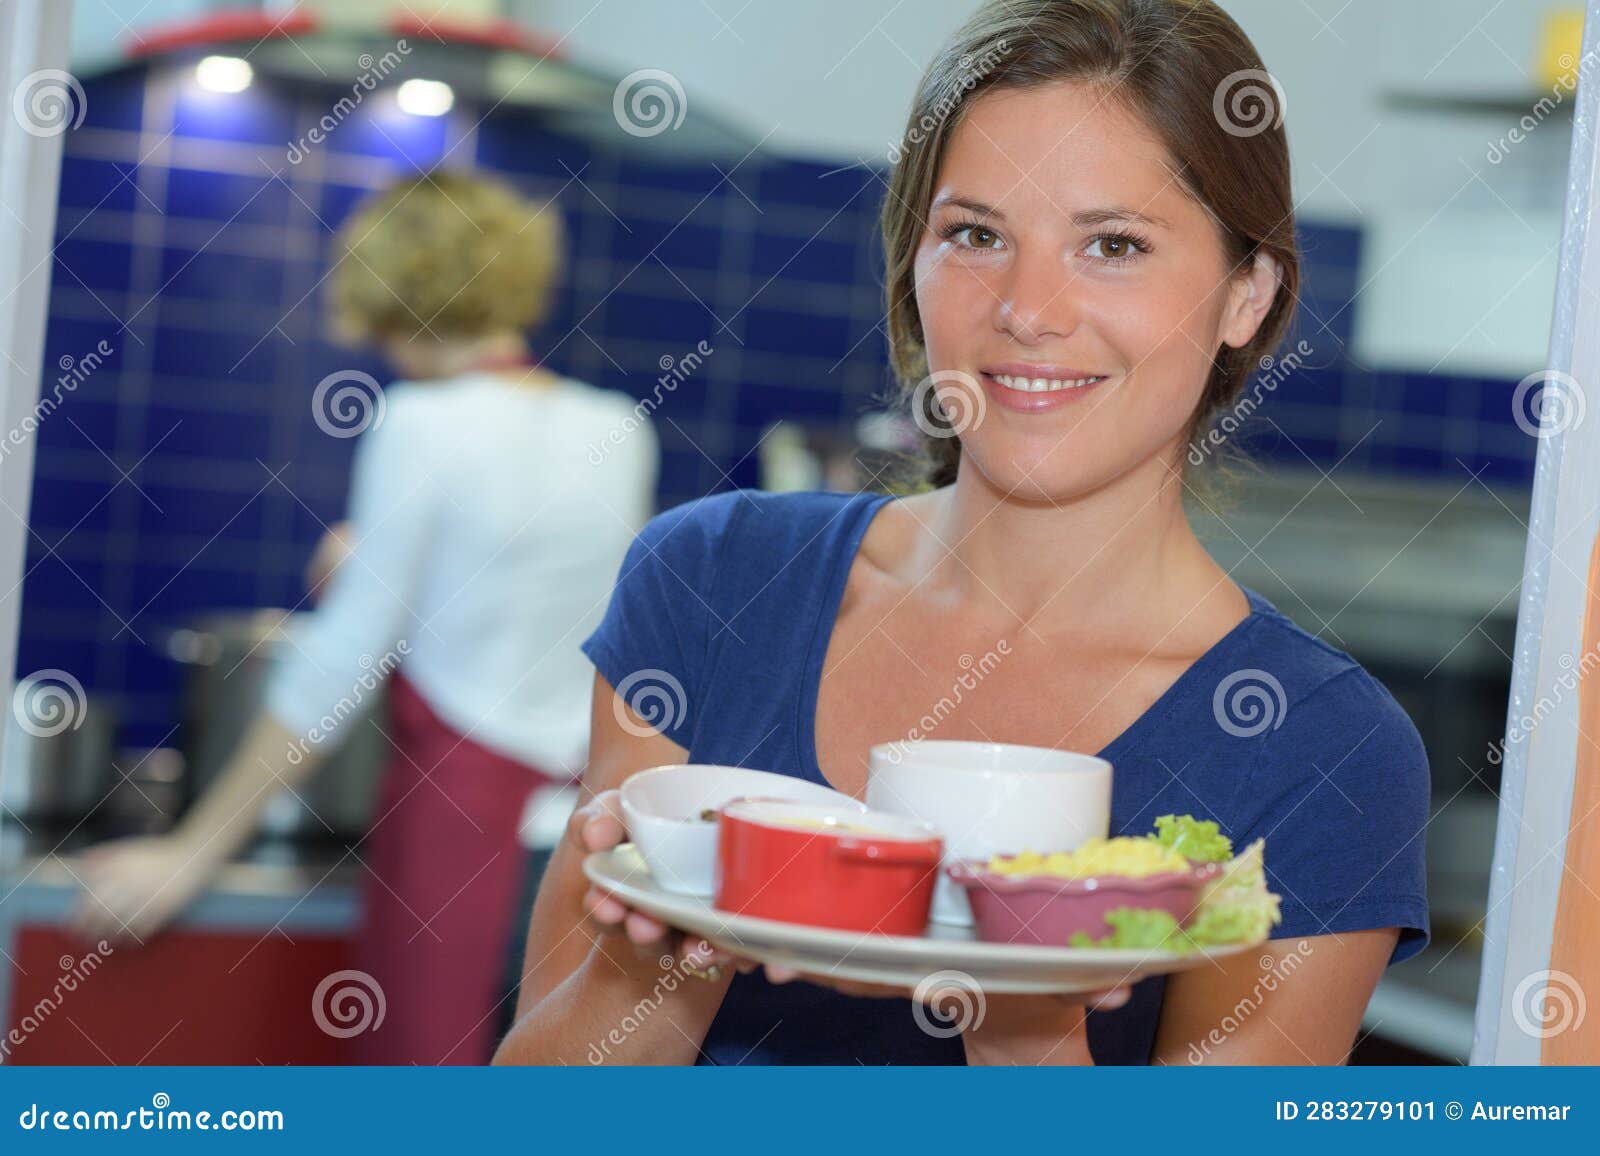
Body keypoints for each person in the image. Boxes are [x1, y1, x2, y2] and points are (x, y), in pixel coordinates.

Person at [494, 0, 1429, 1067]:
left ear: (1245, 296)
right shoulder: (709, 579)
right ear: (911, 262)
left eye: (1113, 244)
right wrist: (655, 951)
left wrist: (1029, 1012)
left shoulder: (1320, 753)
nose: (1027, 309)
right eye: (975, 234)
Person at [71, 170, 659, 1065]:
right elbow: (545, 607)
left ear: (389, 295)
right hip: (579, 839)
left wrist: (190, 851)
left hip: (458, 836)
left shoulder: (419, 422)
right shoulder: (616, 427)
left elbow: (338, 663)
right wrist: (386, 568)